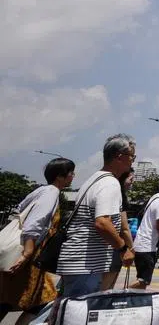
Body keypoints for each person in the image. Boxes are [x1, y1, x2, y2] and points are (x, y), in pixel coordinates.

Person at [57, 134, 136, 299]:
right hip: (86, 265)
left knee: (67, 308)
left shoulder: (94, 179)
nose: (132, 161)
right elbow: (102, 223)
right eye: (131, 156)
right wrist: (123, 249)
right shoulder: (110, 183)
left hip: (77, 261)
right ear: (119, 156)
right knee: (78, 309)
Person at [0, 157, 74, 324]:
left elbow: (21, 210)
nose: (73, 176)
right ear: (59, 176)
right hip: (29, 256)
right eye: (70, 173)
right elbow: (34, 223)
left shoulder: (41, 190)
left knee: (11, 298)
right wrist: (27, 254)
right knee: (34, 300)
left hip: (27, 254)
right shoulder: (52, 192)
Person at [103, 167, 135, 290]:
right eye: (130, 179)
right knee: (106, 288)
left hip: (105, 245)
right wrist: (131, 249)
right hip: (115, 247)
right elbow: (124, 228)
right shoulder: (120, 196)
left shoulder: (107, 191)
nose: (132, 182)